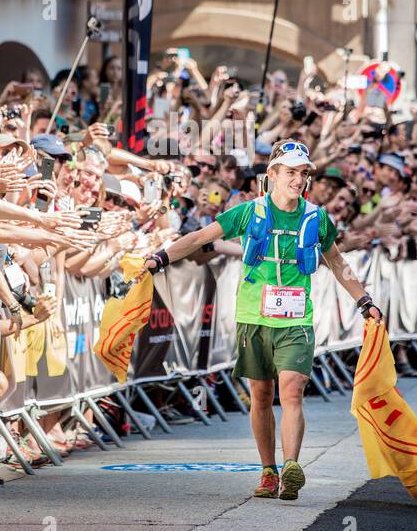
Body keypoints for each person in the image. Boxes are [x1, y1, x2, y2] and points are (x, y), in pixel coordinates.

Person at [143, 140, 383, 501]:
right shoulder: (247, 212)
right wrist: (161, 257)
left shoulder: (315, 217)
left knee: (292, 391)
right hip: (253, 317)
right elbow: (200, 237)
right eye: (290, 172)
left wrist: (364, 300)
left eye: (303, 174)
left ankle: (291, 468)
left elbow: (337, 262)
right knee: (261, 395)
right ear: (271, 175)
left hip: (295, 319)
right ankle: (268, 470)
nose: (299, 180)